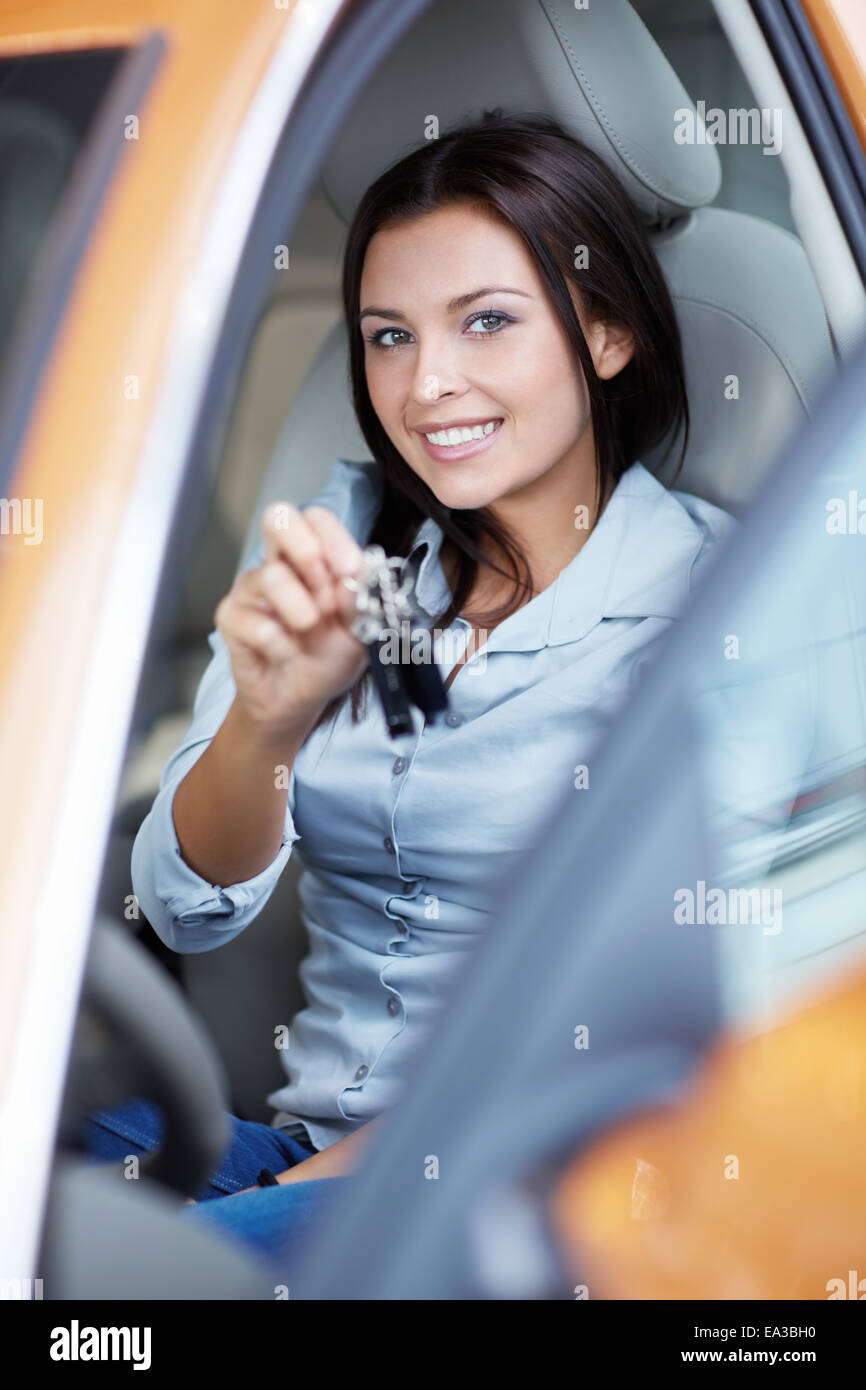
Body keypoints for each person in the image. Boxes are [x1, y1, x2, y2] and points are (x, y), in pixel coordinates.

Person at [83, 109, 737, 1264]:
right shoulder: (360, 546)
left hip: (511, 1190)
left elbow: (656, 1029)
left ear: (606, 335)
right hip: (296, 1148)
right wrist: (269, 721)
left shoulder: (704, 605)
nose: (427, 383)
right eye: (387, 336)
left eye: (485, 322)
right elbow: (180, 906)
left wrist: (245, 1222)